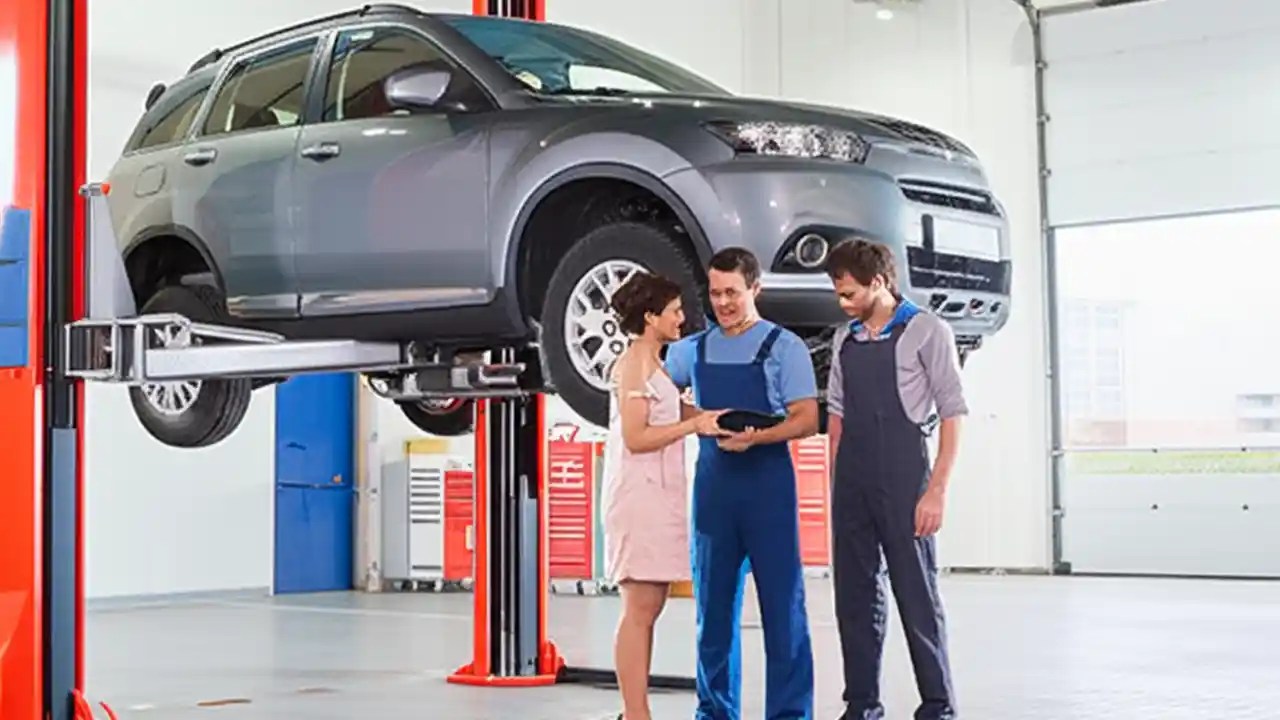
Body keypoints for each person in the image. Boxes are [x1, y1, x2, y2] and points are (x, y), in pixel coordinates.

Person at [664, 247, 818, 720]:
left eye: (733, 292)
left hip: (767, 488)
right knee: (712, 613)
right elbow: (658, 403)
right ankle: (714, 712)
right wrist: (698, 420)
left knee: (783, 611)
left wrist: (759, 438)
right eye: (715, 293)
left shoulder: (785, 348)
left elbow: (807, 418)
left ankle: (790, 715)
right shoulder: (692, 350)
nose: (724, 302)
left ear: (756, 288)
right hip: (714, 492)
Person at [823, 239, 967, 720]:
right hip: (853, 481)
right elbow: (837, 417)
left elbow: (952, 414)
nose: (843, 304)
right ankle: (861, 705)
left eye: (849, 294)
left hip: (906, 477)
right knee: (854, 596)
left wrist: (937, 491)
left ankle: (938, 706)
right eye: (838, 295)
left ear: (880, 283)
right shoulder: (846, 338)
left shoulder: (928, 330)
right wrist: (835, 484)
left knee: (916, 595)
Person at [602, 271, 727, 720]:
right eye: (674, 310)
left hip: (658, 494)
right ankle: (635, 714)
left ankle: (636, 710)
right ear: (651, 316)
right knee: (639, 606)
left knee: (649, 604)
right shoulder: (635, 362)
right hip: (638, 495)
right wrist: (694, 425)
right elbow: (636, 436)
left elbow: (669, 410)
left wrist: (713, 417)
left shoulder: (655, 362)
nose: (682, 317)